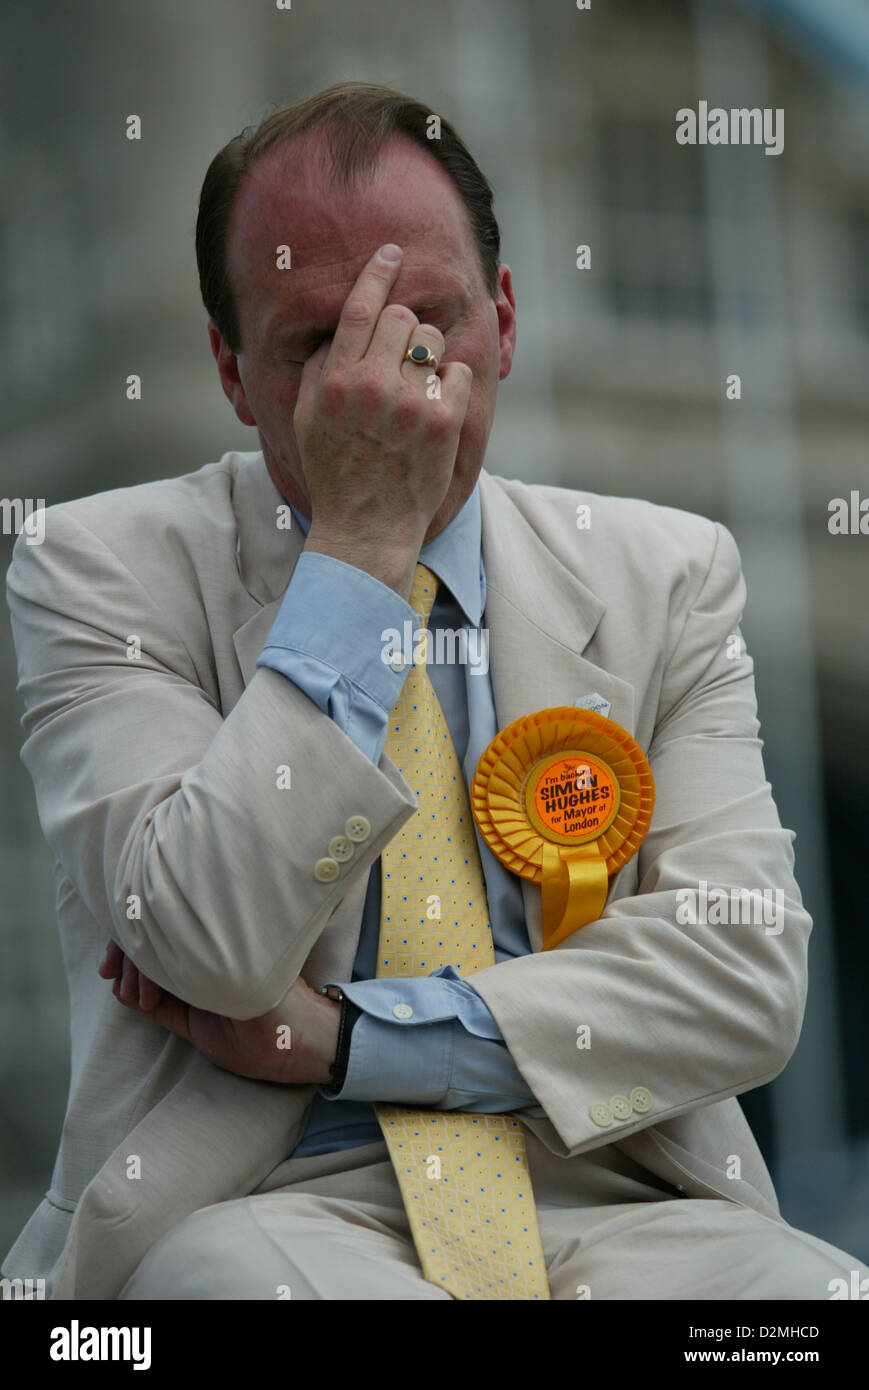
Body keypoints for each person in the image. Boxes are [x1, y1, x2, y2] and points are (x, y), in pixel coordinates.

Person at [3, 81, 867, 1301]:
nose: (392, 378)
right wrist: (356, 555)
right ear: (231, 372)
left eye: (432, 319)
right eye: (319, 344)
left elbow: (742, 979)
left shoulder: (664, 574)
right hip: (268, 1210)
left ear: (504, 322)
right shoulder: (95, 567)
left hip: (613, 1195)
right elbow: (206, 941)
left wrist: (350, 1040)